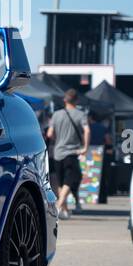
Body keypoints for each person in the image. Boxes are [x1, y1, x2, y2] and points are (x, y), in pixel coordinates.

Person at [46, 88, 90, 220]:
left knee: (60, 183)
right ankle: (59, 206)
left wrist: (59, 140)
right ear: (76, 100)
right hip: (72, 152)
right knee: (70, 180)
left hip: (57, 152)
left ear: (64, 100)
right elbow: (87, 131)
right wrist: (85, 147)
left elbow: (49, 134)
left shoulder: (56, 114)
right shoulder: (81, 114)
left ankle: (64, 212)